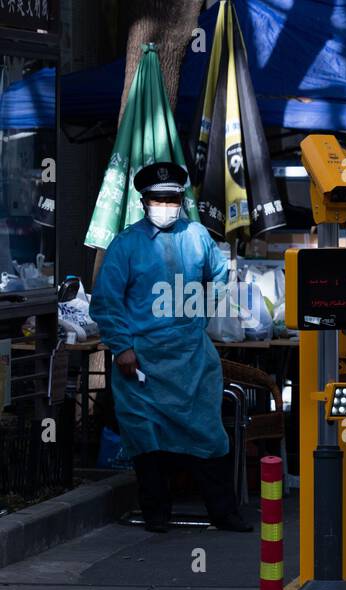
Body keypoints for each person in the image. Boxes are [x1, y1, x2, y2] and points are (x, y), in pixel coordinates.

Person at [90, 161, 251, 534]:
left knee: (208, 436)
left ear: (182, 199)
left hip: (191, 358)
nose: (165, 204)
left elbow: (222, 278)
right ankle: (156, 514)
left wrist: (204, 314)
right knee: (148, 442)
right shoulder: (126, 245)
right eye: (158, 198)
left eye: (172, 198)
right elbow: (106, 301)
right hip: (140, 362)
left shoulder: (198, 237)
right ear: (144, 201)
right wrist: (122, 346)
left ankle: (224, 513)